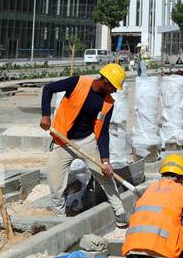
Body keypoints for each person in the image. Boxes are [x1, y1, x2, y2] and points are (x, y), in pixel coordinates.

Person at [39, 62, 129, 225]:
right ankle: (60, 222)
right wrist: (45, 115)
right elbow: (48, 89)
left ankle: (121, 214)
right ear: (105, 82)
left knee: (105, 176)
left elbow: (102, 133)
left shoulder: (108, 103)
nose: (115, 91)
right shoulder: (78, 83)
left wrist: (105, 161)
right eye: (113, 87)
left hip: (87, 141)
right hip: (62, 140)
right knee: (55, 183)